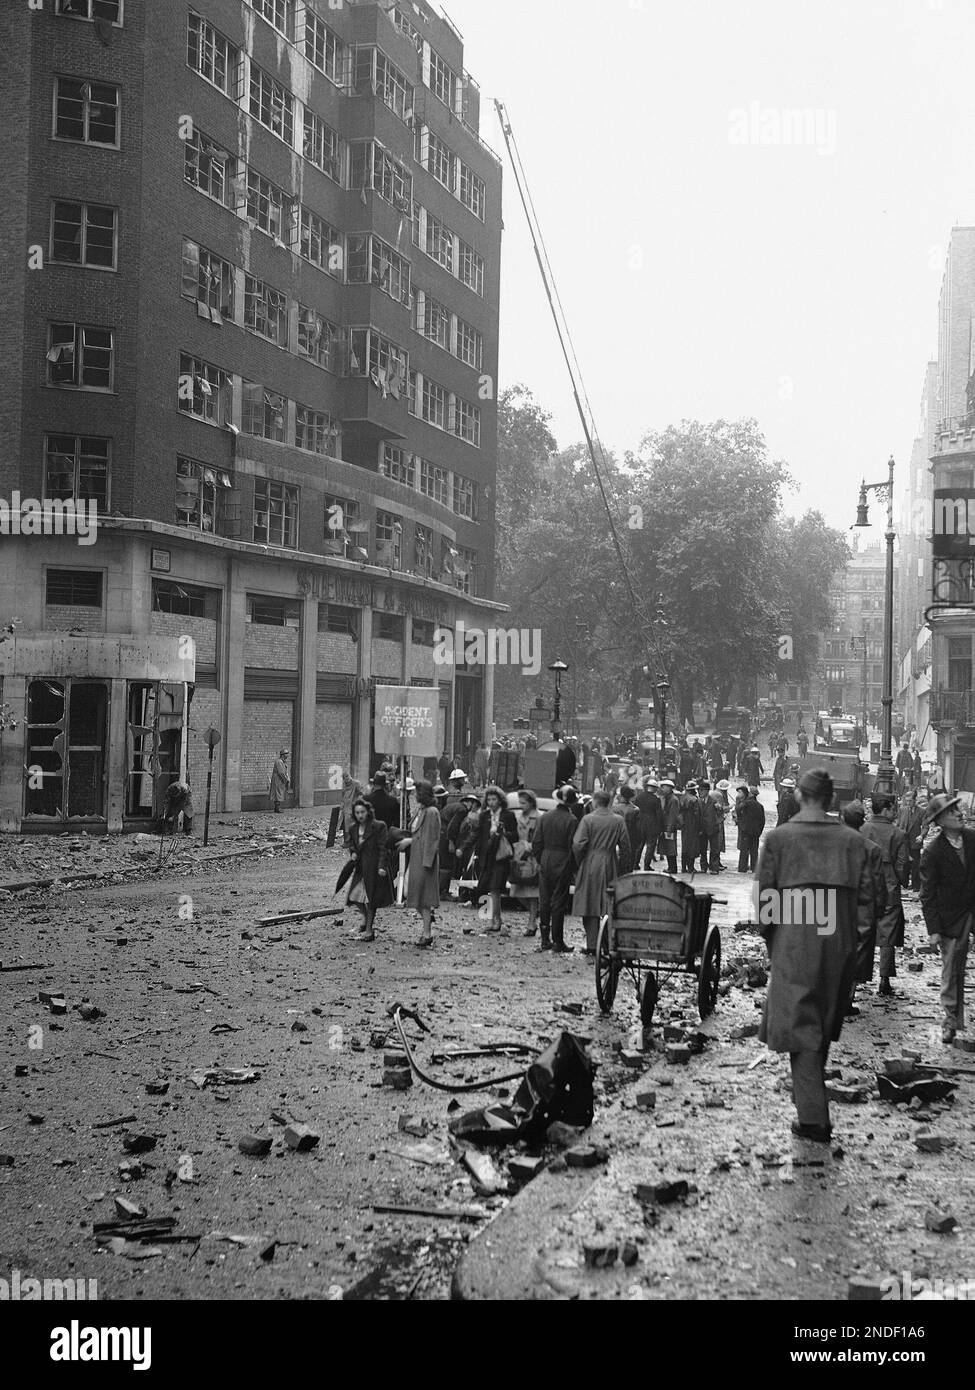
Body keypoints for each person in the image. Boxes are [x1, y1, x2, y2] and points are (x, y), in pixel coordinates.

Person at [757, 768, 874, 1144]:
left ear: (799, 796)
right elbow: (868, 906)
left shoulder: (779, 839)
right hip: (838, 940)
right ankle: (811, 1106)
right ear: (831, 800)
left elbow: (765, 903)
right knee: (821, 1021)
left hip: (795, 940)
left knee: (801, 1028)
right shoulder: (853, 843)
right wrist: (853, 947)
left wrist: (773, 941)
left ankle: (813, 1121)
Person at [919, 793, 975, 1044]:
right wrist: (934, 930)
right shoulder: (933, 852)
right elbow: (927, 895)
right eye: (952, 811)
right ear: (940, 820)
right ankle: (951, 1021)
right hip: (951, 918)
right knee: (952, 971)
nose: (959, 813)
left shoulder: (973, 839)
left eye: (958, 809)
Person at [860, 795, 910, 997]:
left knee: (862, 934)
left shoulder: (862, 830)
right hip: (889, 889)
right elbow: (902, 864)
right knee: (888, 936)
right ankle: (884, 980)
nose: (895, 812)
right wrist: (902, 881)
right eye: (893, 808)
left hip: (864, 889)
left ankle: (857, 981)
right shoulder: (898, 834)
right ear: (886, 809)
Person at [572, 789, 628, 954]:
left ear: (595, 802)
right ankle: (607, 943)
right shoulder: (618, 820)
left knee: (589, 903)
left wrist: (580, 862)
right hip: (610, 861)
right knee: (608, 904)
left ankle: (591, 944)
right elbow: (625, 846)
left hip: (590, 862)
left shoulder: (588, 819)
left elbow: (578, 845)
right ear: (609, 802)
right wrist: (625, 869)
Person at [842, 800, 889, 994]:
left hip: (836, 905)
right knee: (860, 951)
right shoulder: (872, 849)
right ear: (862, 822)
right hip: (863, 907)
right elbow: (879, 882)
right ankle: (850, 996)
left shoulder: (833, 844)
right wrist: (879, 909)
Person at [335, 799, 392, 943]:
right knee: (354, 896)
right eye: (357, 812)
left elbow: (383, 847)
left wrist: (381, 866)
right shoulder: (354, 828)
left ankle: (369, 930)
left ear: (368, 812)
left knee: (371, 900)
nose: (360, 815)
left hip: (374, 868)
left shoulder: (378, 826)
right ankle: (367, 919)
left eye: (362, 812)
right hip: (360, 868)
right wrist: (353, 852)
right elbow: (353, 845)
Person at [533, 786, 578, 953]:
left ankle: (545, 939)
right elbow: (573, 846)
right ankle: (558, 941)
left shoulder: (545, 817)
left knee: (544, 900)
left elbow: (536, 842)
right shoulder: (572, 820)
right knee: (559, 902)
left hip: (546, 858)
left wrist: (541, 859)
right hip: (562, 860)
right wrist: (571, 866)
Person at [475, 786, 518, 934]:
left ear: (500, 800)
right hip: (487, 856)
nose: (491, 802)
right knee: (487, 887)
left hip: (501, 856)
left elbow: (515, 836)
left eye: (494, 799)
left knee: (495, 887)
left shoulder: (508, 815)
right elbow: (479, 836)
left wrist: (504, 832)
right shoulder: (484, 815)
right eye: (489, 799)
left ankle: (496, 920)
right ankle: (492, 919)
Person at [403, 781, 441, 948]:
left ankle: (427, 934)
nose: (415, 796)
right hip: (417, 857)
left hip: (425, 860)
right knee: (413, 894)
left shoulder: (432, 812)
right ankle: (427, 924)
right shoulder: (421, 810)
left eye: (417, 792)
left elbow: (432, 838)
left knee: (423, 898)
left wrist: (427, 862)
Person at [510, 789, 542, 937]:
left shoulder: (539, 817)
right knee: (517, 890)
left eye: (523, 803)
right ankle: (534, 914)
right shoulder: (518, 817)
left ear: (531, 803)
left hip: (532, 857)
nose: (521, 805)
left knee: (532, 891)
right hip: (519, 855)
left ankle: (531, 921)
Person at [633, 777, 662, 871]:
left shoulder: (639, 797)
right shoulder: (656, 799)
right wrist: (660, 827)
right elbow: (659, 814)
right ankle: (646, 865)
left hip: (640, 822)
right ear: (654, 788)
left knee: (639, 845)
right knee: (650, 846)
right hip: (651, 824)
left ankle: (635, 864)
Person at [736, 786, 765, 873]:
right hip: (756, 832)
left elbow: (737, 810)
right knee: (754, 851)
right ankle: (754, 868)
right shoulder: (760, 806)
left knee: (744, 851)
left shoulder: (746, 803)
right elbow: (762, 821)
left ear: (750, 794)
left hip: (746, 831)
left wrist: (741, 825)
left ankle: (742, 868)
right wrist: (759, 831)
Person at [656, 780, 680, 874]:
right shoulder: (667, 798)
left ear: (669, 788)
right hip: (666, 826)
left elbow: (672, 815)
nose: (662, 789)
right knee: (667, 847)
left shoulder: (673, 799)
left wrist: (669, 828)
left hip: (669, 827)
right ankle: (671, 867)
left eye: (664, 787)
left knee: (670, 848)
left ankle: (672, 867)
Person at [679, 780, 704, 872]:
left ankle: (683, 867)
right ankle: (690, 867)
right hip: (693, 825)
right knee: (692, 846)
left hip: (684, 825)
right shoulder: (694, 800)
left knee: (684, 846)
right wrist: (700, 827)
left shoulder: (682, 798)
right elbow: (697, 814)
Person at [341, 771, 364, 848]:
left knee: (355, 824)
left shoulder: (356, 783)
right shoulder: (344, 785)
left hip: (354, 807)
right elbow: (343, 795)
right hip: (346, 808)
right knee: (346, 826)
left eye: (348, 776)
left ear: (350, 776)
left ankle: (355, 841)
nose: (347, 779)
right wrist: (342, 804)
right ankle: (347, 841)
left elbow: (361, 793)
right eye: (345, 777)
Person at [268, 748, 290, 813]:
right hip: (278, 780)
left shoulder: (282, 761)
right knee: (278, 793)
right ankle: (277, 808)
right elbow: (281, 772)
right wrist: (285, 779)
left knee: (279, 793)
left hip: (279, 780)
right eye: (286, 754)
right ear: (283, 755)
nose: (287, 756)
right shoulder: (279, 762)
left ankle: (277, 808)